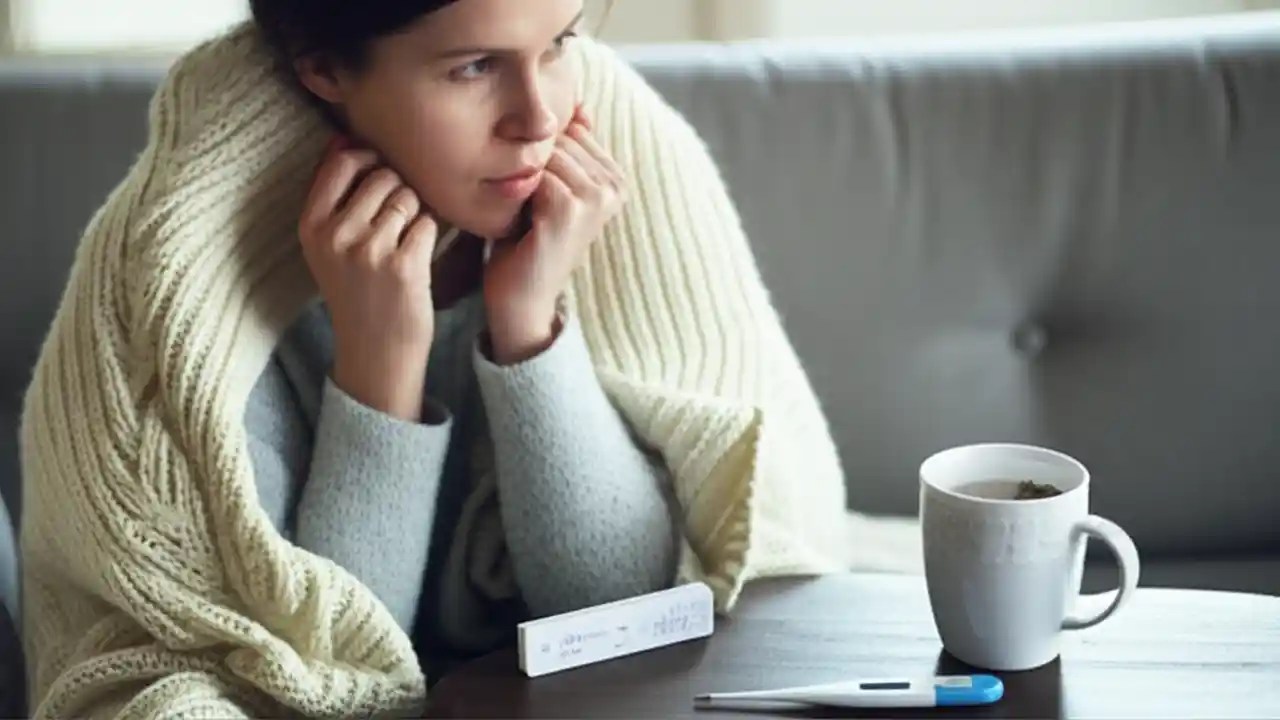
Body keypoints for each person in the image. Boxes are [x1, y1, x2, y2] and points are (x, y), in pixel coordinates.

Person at [19, 0, 859, 716]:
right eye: (474, 67)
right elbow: (328, 683)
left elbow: (629, 618)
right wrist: (381, 366)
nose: (539, 117)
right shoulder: (181, 278)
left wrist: (528, 326)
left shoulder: (621, 171)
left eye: (561, 41)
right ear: (323, 70)